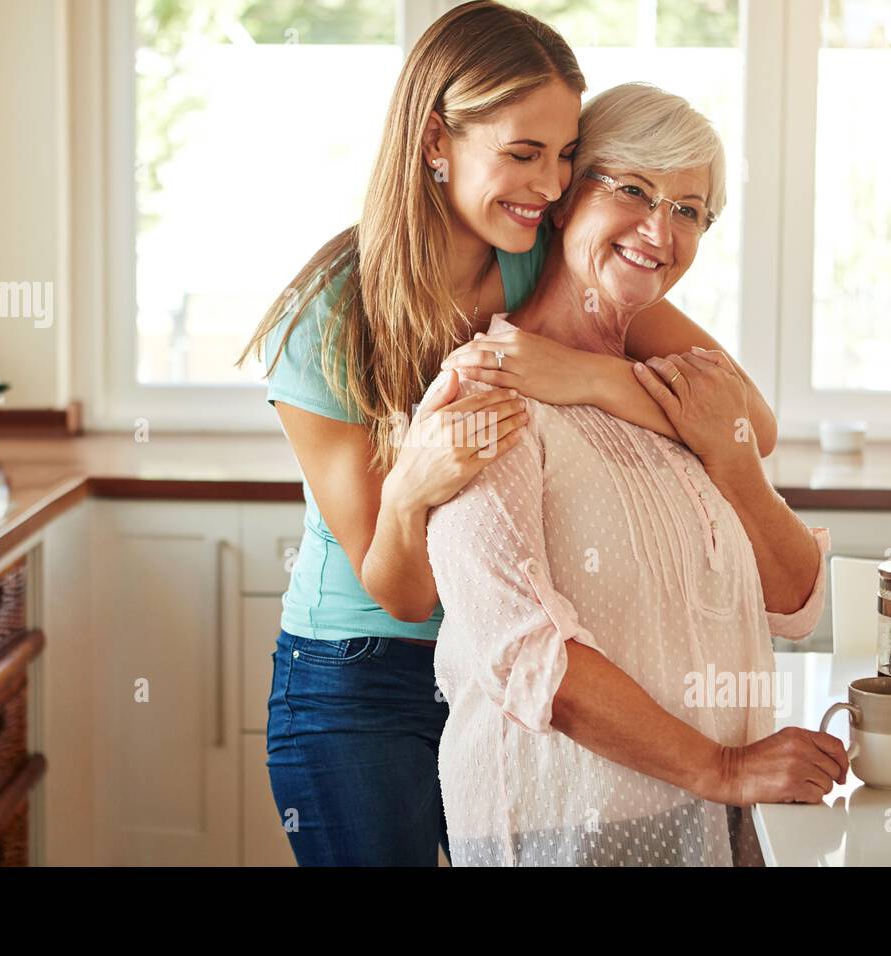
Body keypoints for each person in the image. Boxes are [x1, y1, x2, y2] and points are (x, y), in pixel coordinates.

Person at [237, 1, 777, 866]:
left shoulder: (541, 247)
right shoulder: (326, 326)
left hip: (503, 667)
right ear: (434, 142)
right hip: (363, 675)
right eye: (522, 154)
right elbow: (401, 593)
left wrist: (589, 376)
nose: (552, 185)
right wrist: (415, 481)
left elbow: (750, 421)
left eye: (566, 155)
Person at [425, 82, 847, 867]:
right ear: (560, 199)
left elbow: (793, 601)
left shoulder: (690, 392)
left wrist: (731, 460)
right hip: (564, 829)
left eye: (689, 209)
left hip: (722, 824)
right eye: (633, 189)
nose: (660, 230)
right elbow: (526, 654)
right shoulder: (488, 389)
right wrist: (724, 767)